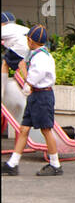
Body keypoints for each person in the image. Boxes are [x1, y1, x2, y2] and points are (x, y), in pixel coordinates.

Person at [2, 25, 62, 176]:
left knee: (46, 129)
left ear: (30, 40)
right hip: (35, 96)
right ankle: (13, 163)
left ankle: (55, 164)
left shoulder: (41, 57)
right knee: (24, 129)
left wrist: (22, 69)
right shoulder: (36, 54)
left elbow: (32, 79)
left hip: (42, 96)